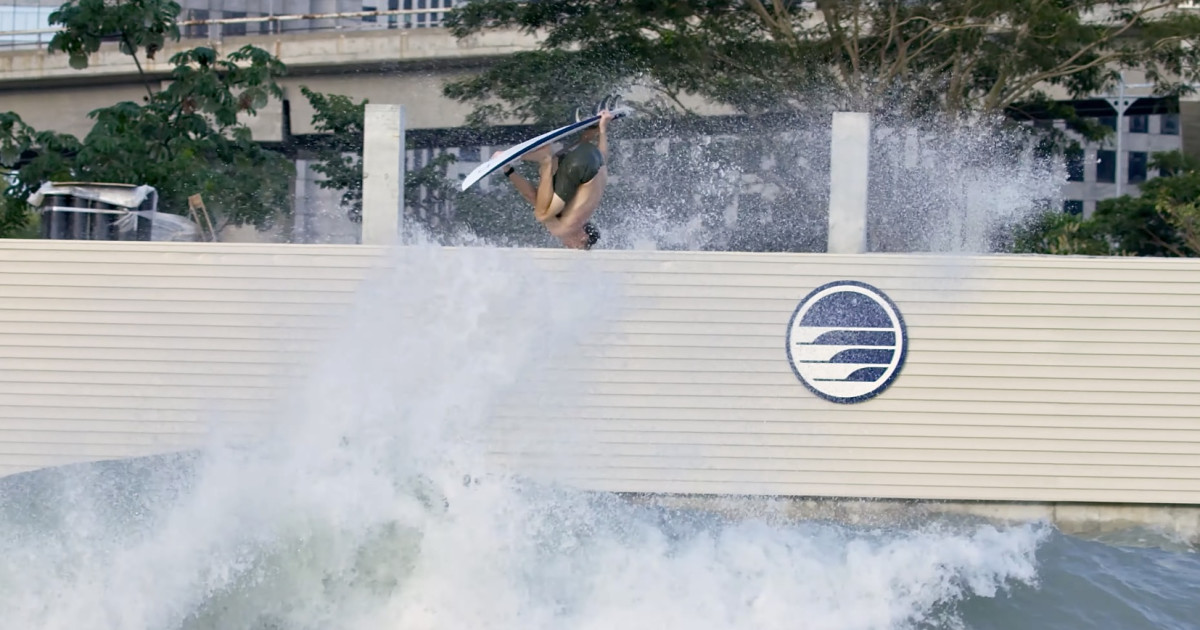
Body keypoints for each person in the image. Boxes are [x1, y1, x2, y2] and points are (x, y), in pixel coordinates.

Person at [494, 109, 613, 250]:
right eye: (576, 246)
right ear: (584, 237)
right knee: (542, 214)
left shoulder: (579, 209)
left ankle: (591, 132)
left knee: (550, 185)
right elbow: (534, 200)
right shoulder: (564, 229)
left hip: (592, 156)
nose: (567, 246)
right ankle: (545, 159)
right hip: (580, 166)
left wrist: (603, 129)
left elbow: (603, 159)